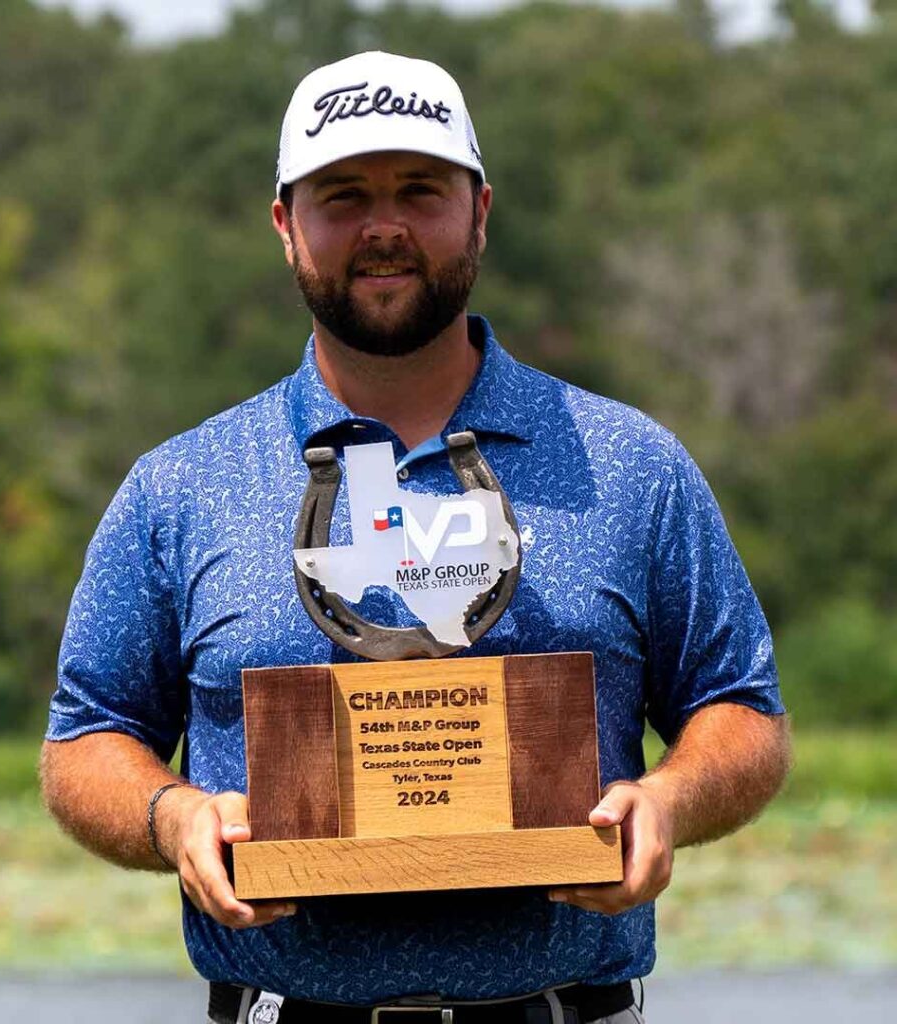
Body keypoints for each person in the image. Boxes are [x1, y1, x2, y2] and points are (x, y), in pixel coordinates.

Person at [41, 50, 791, 1024]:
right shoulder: (178, 486)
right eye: (343, 195)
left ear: (479, 211)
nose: (383, 227)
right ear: (284, 225)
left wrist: (669, 801)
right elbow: (85, 738)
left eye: (420, 191)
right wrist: (171, 814)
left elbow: (742, 709)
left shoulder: (630, 464)